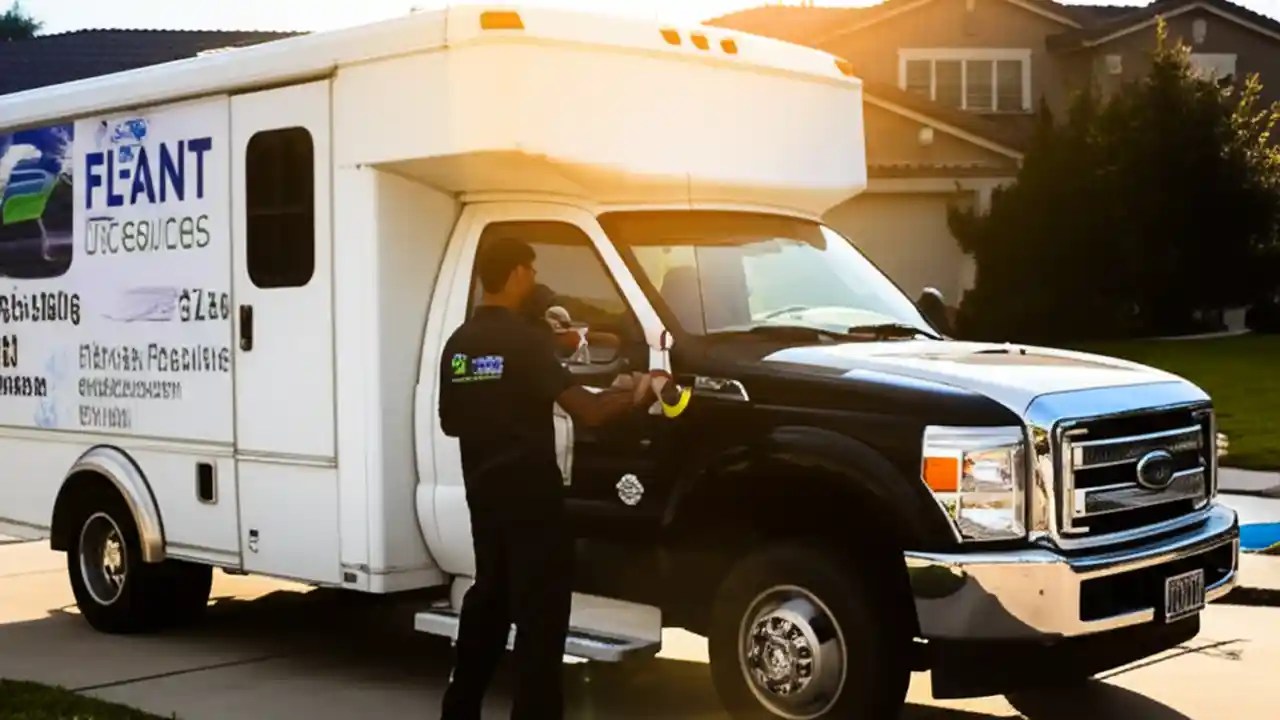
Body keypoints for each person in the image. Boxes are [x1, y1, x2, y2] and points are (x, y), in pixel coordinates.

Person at [438, 238, 657, 720]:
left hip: (484, 495)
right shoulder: (525, 343)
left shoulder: (460, 344)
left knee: (489, 601)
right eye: (532, 272)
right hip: (532, 497)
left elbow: (450, 421)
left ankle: (459, 710)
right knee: (540, 618)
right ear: (517, 273)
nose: (534, 280)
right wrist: (637, 394)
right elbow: (591, 412)